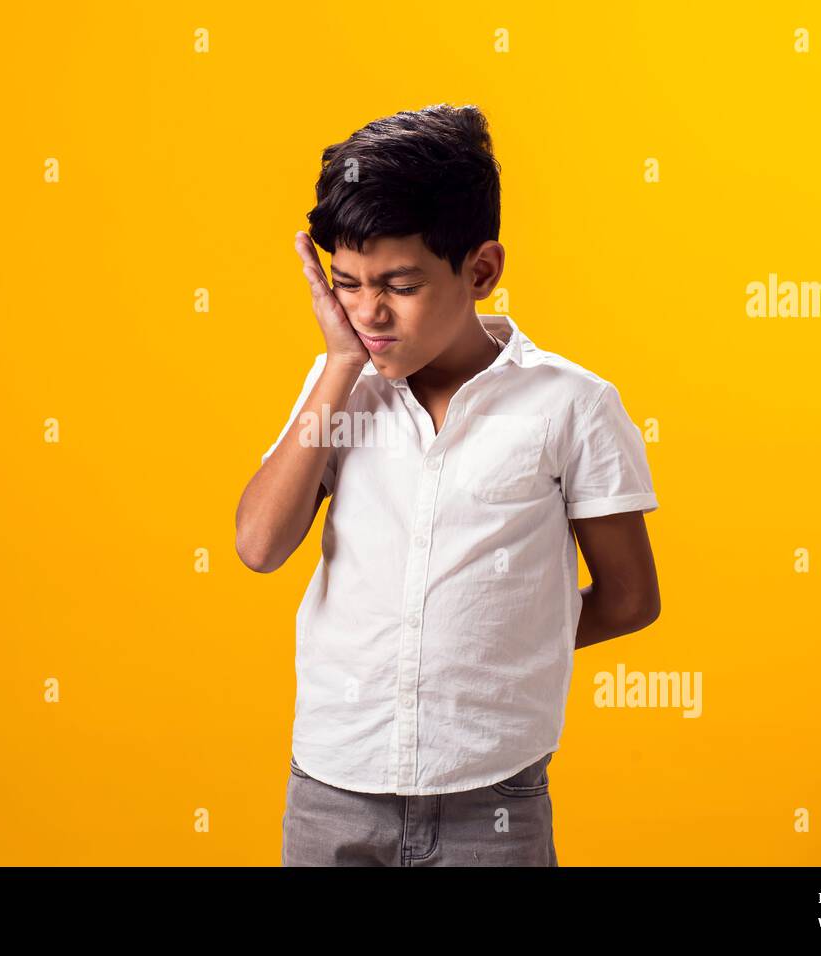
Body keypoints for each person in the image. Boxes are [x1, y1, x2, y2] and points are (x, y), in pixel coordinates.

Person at [235, 103, 661, 866]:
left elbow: (630, 599)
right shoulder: (340, 390)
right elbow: (260, 546)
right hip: (334, 786)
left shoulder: (572, 405)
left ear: (482, 270)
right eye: (346, 286)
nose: (368, 313)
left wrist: (487, 652)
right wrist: (337, 367)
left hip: (491, 798)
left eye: (399, 285)